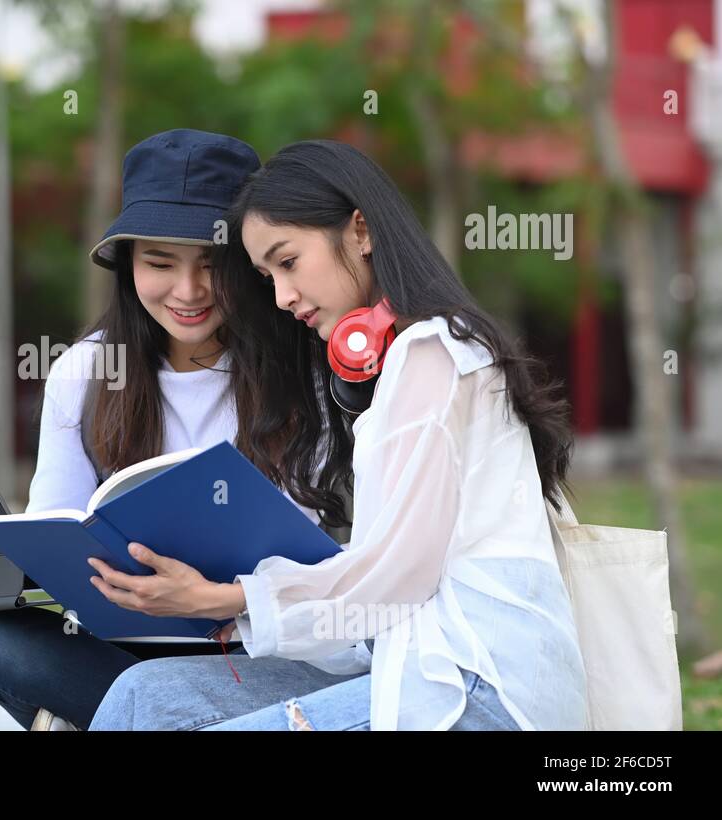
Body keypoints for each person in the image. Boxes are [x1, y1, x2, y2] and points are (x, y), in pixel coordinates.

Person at [87, 140, 587, 731]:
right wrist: (253, 613)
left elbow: (397, 575)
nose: (282, 296)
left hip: (473, 685)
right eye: (266, 275)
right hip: (406, 661)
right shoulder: (406, 359)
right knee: (145, 695)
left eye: (289, 261)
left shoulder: (432, 354)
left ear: (360, 230)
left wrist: (229, 598)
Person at [0, 130, 324, 730]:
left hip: (260, 649)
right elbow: (58, 530)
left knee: (149, 693)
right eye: (159, 263)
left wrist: (220, 595)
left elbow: (328, 563)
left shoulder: (306, 370)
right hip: (125, 645)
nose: (189, 291)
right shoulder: (86, 371)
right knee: (0, 643)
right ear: (126, 267)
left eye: (213, 265)